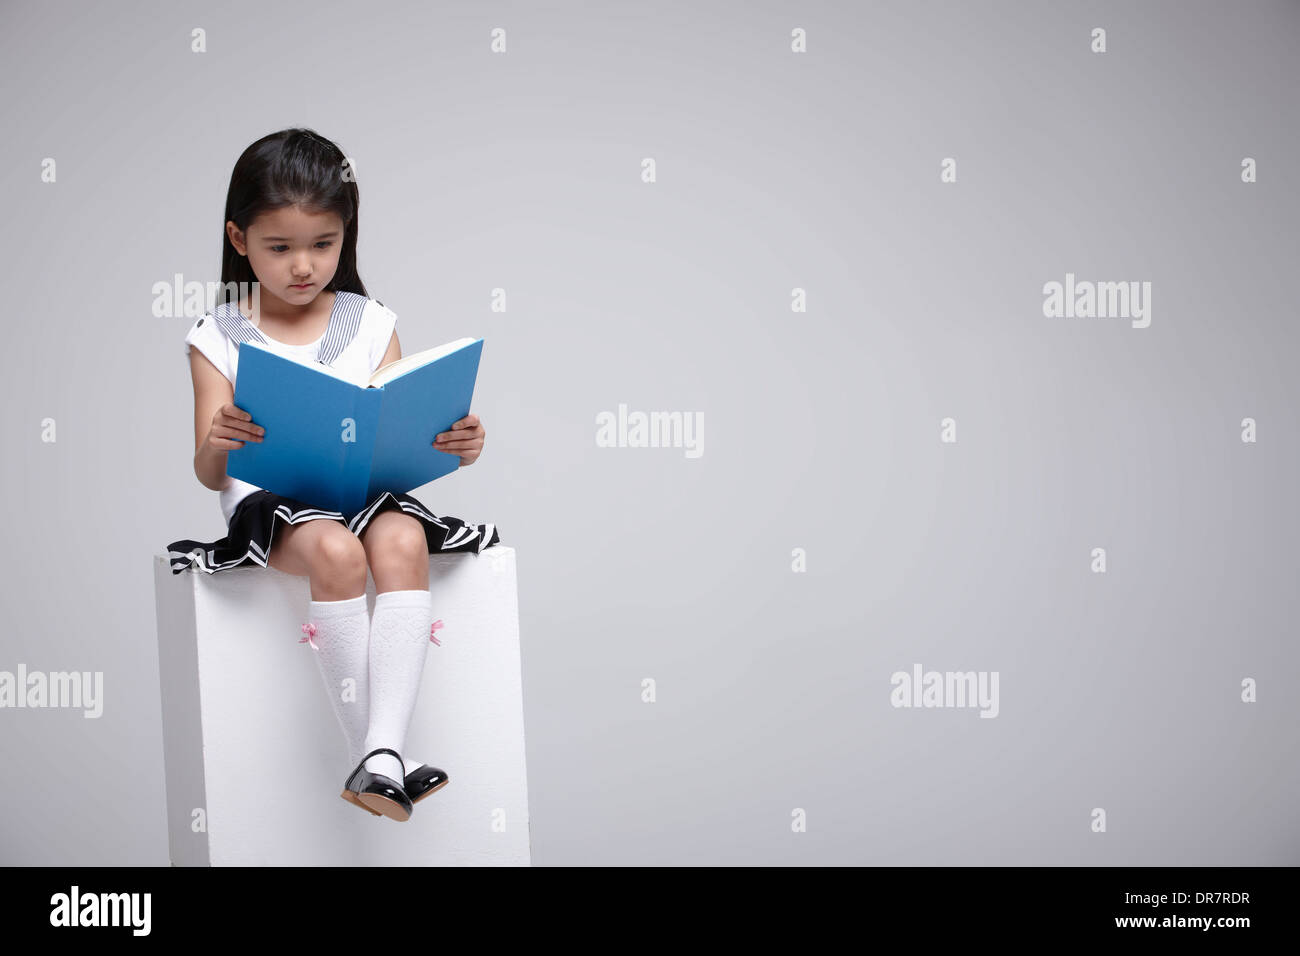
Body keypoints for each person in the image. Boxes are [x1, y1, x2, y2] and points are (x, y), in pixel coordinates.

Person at [165, 128, 502, 822]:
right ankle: (379, 755)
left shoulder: (371, 323)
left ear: (346, 234)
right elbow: (206, 472)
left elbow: (390, 422)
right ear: (238, 237)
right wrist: (219, 440)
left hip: (360, 491)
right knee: (339, 554)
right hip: (274, 500)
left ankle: (380, 753)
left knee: (404, 540)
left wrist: (456, 441)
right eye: (279, 247)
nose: (303, 267)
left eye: (323, 244)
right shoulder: (218, 334)